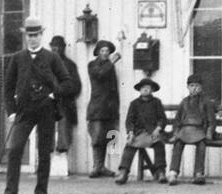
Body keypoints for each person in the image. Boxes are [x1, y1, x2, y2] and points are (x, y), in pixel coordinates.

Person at [0, 17, 71, 194]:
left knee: (44, 152)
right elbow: (7, 87)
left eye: (36, 35)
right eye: (29, 36)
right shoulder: (17, 58)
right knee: (15, 150)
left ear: (41, 36)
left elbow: (66, 82)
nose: (32, 39)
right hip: (24, 112)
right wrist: (11, 111)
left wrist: (54, 95)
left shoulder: (51, 57)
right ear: (25, 37)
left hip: (46, 110)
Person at [115, 78, 167, 184]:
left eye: (148, 88)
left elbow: (162, 118)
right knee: (130, 145)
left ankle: (161, 172)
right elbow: (129, 120)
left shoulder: (157, 102)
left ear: (152, 90)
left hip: (153, 132)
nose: (145, 90)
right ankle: (123, 172)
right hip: (139, 133)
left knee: (159, 145)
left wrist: (158, 128)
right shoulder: (134, 104)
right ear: (140, 90)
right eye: (143, 88)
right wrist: (130, 132)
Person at [168, 74, 215, 186]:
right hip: (185, 130)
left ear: (201, 87)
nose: (194, 88)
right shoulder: (184, 102)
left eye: (197, 86)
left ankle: (199, 173)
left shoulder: (206, 102)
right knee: (178, 144)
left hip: (199, 130)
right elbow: (177, 120)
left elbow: (211, 120)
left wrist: (209, 133)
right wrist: (176, 133)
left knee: (201, 145)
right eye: (192, 85)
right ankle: (173, 173)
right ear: (188, 87)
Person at [85, 40, 122, 177]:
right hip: (97, 108)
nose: (105, 53)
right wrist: (111, 62)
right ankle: (96, 166)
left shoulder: (109, 67)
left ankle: (101, 166)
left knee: (107, 137)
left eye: (107, 51)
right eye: (102, 51)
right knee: (96, 137)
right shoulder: (92, 65)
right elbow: (99, 75)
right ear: (98, 52)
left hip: (110, 108)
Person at [49, 35, 82, 158]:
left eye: (58, 47)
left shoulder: (69, 65)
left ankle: (62, 158)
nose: (55, 49)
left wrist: (60, 91)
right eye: (53, 47)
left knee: (64, 133)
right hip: (47, 104)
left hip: (64, 104)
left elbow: (76, 86)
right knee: (46, 133)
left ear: (63, 48)